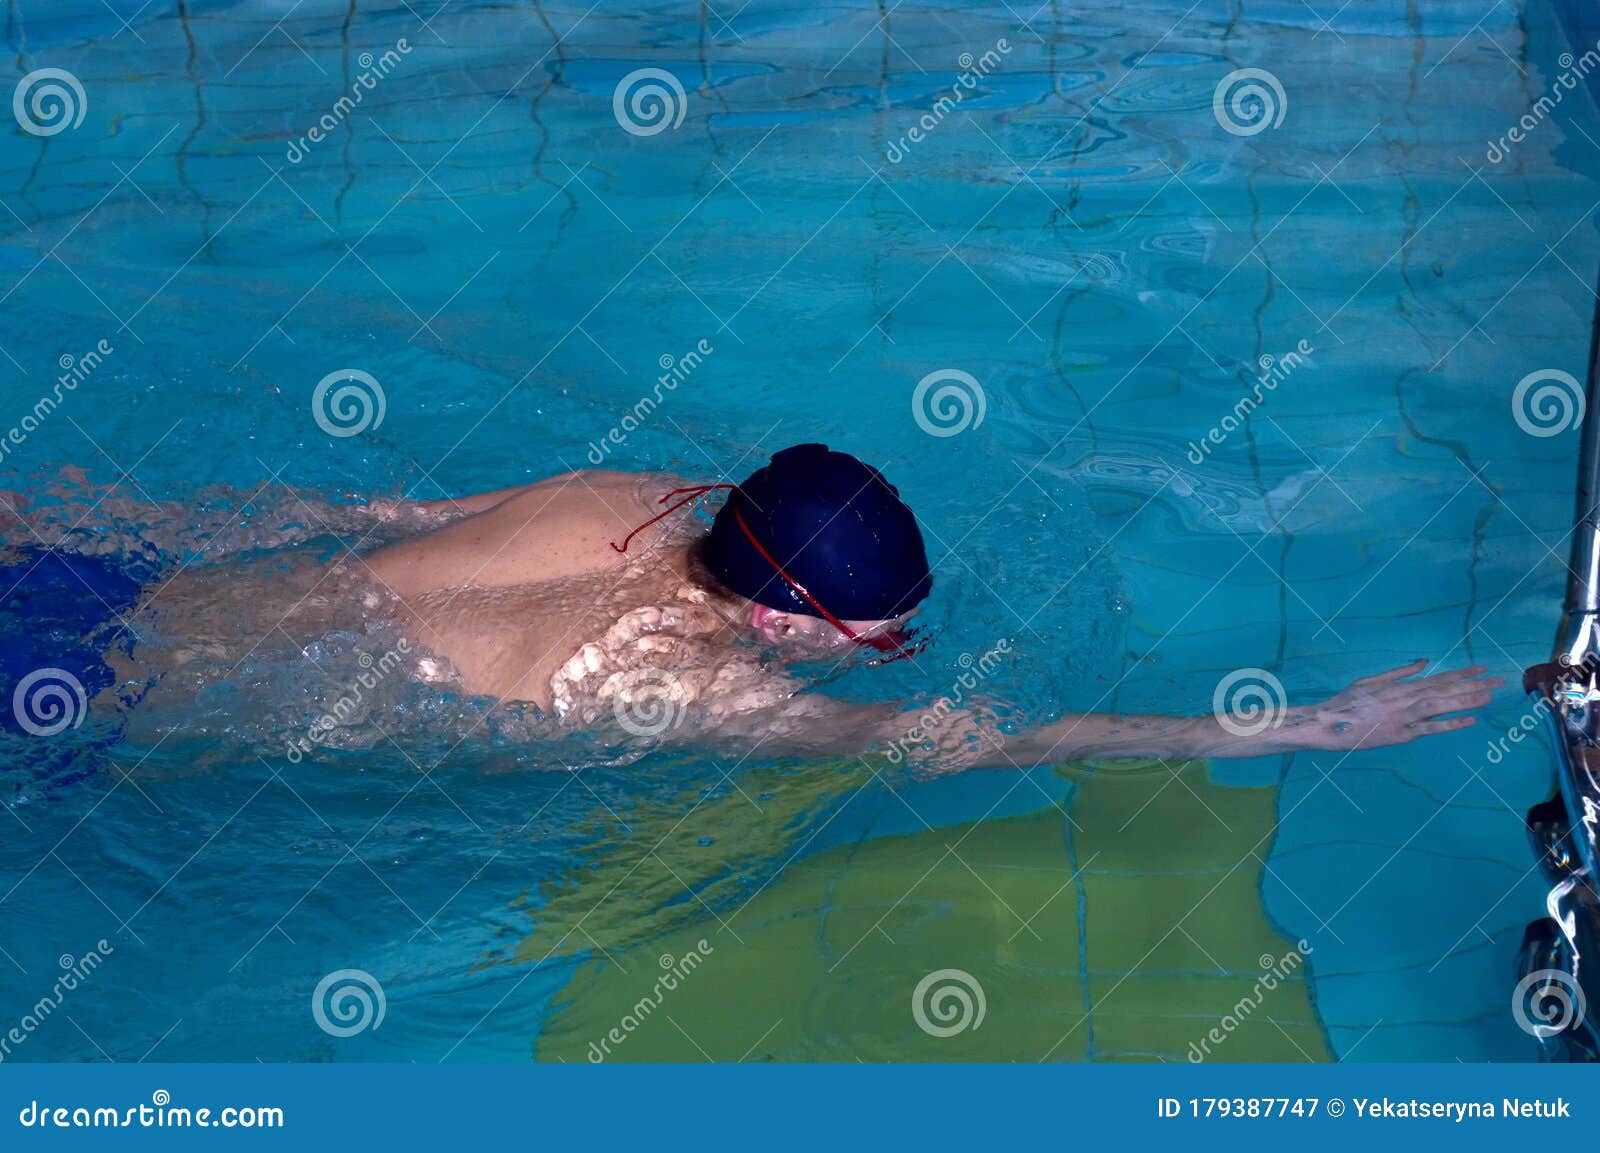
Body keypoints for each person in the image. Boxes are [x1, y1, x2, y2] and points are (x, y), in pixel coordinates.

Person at [2, 444, 1500, 768]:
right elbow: (995, 741)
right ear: (787, 623)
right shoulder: (699, 685)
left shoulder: (631, 494)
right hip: (115, 691)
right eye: (878, 638)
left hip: (149, 574)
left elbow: (378, 511)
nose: (898, 656)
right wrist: (1305, 723)